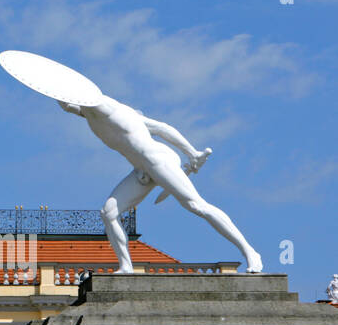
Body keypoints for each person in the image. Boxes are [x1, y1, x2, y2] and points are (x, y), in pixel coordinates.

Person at [57, 95, 263, 274]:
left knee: (196, 205)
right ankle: (126, 267)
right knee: (108, 213)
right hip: (141, 172)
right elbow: (72, 108)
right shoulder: (91, 115)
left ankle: (250, 252)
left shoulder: (110, 108)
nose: (64, 102)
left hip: (159, 161)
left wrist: (192, 153)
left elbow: (162, 128)